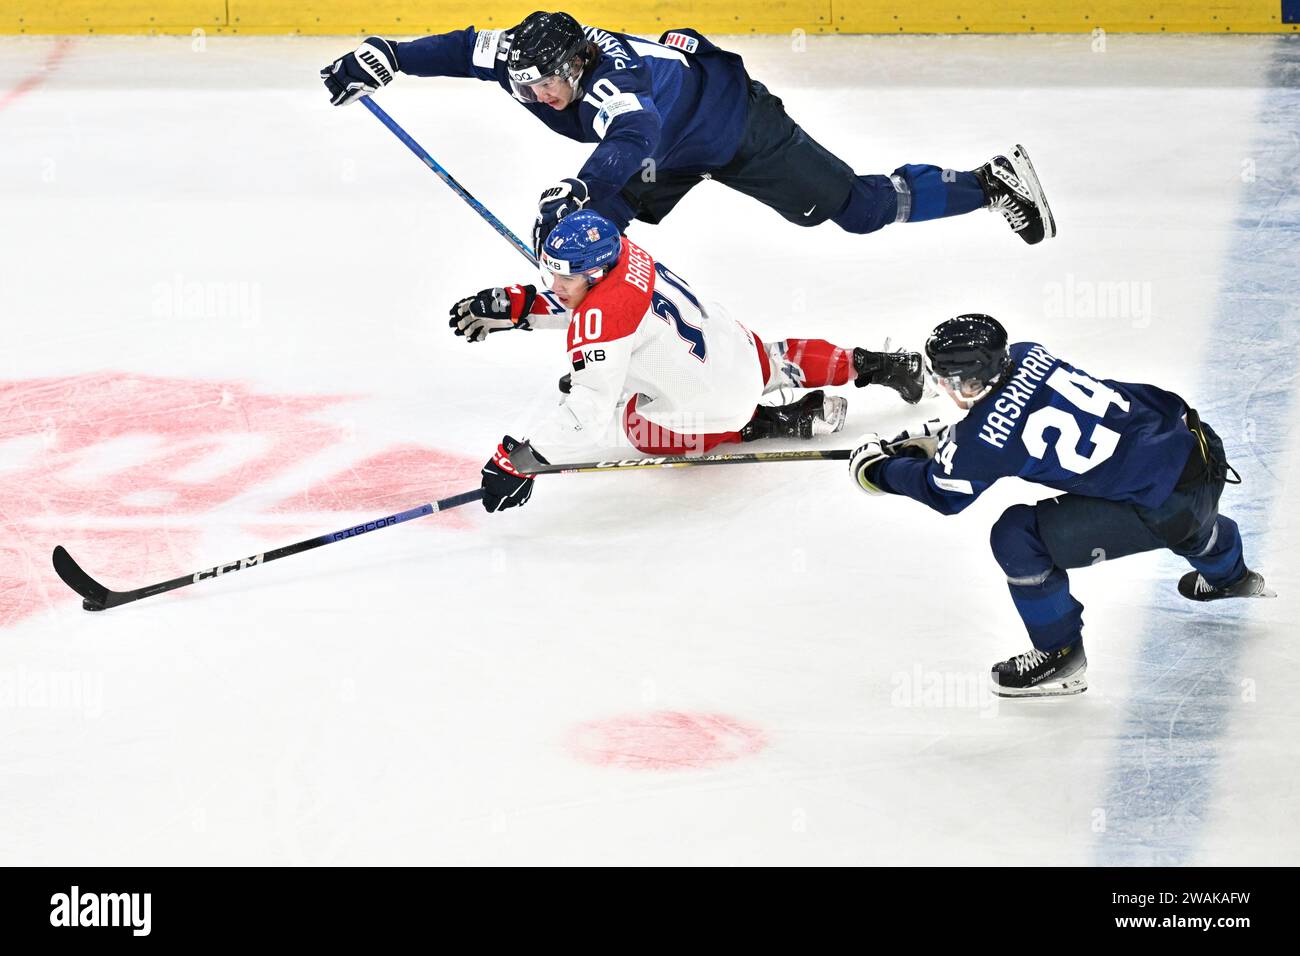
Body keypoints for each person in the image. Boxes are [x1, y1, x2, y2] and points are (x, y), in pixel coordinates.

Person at [321, 11, 1056, 254]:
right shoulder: (530, 53)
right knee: (591, 226)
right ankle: (610, 332)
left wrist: (581, 184)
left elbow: (631, 142)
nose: (538, 99)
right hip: (668, 142)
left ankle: (987, 183)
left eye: (547, 87)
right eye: (526, 87)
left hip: (735, 129)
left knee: (861, 213)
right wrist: (385, 55)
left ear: (578, 66)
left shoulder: (614, 87)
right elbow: (460, 49)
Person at [848, 314, 1274, 697]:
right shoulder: (1028, 353)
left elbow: (943, 491)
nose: (942, 386)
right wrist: (954, 439)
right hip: (1194, 448)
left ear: (972, 382)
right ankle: (1230, 576)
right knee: (1180, 512)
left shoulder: (981, 443)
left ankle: (1061, 656)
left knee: (1017, 536)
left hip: (1167, 507)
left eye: (947, 378)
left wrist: (879, 471)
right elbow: (1023, 415)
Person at [458, 209, 925, 512]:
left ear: (595, 274)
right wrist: (521, 307)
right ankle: (878, 363)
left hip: (716, 403)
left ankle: (779, 421)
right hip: (735, 346)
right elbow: (604, 307)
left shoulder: (599, 316)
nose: (554, 285)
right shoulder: (624, 252)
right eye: (548, 272)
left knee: (636, 425)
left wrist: (519, 461)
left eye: (565, 277)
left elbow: (585, 417)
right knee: (776, 359)